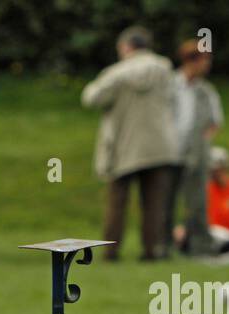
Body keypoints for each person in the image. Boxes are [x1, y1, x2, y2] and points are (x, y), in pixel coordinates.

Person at [81, 25, 178, 261]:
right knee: (155, 205)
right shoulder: (165, 70)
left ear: (126, 47)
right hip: (160, 146)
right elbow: (176, 98)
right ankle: (151, 252)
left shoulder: (117, 73)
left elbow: (91, 98)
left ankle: (111, 252)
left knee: (117, 203)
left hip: (125, 147)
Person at [167, 39, 222, 256]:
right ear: (191, 61)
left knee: (197, 202)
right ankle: (165, 245)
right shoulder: (170, 86)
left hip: (197, 154)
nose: (207, 65)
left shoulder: (207, 92)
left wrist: (201, 143)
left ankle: (199, 246)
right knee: (165, 202)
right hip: (169, 152)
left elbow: (215, 122)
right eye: (204, 60)